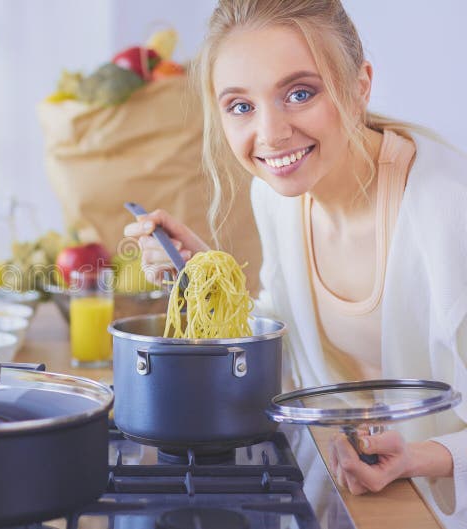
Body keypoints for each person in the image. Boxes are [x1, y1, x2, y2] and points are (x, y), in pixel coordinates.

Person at [123, 0, 466, 525]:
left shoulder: (447, 210)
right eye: (241, 106)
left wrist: (421, 457)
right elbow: (292, 351)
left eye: (300, 94)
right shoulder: (278, 196)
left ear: (360, 86)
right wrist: (202, 277)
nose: (271, 133)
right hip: (356, 488)